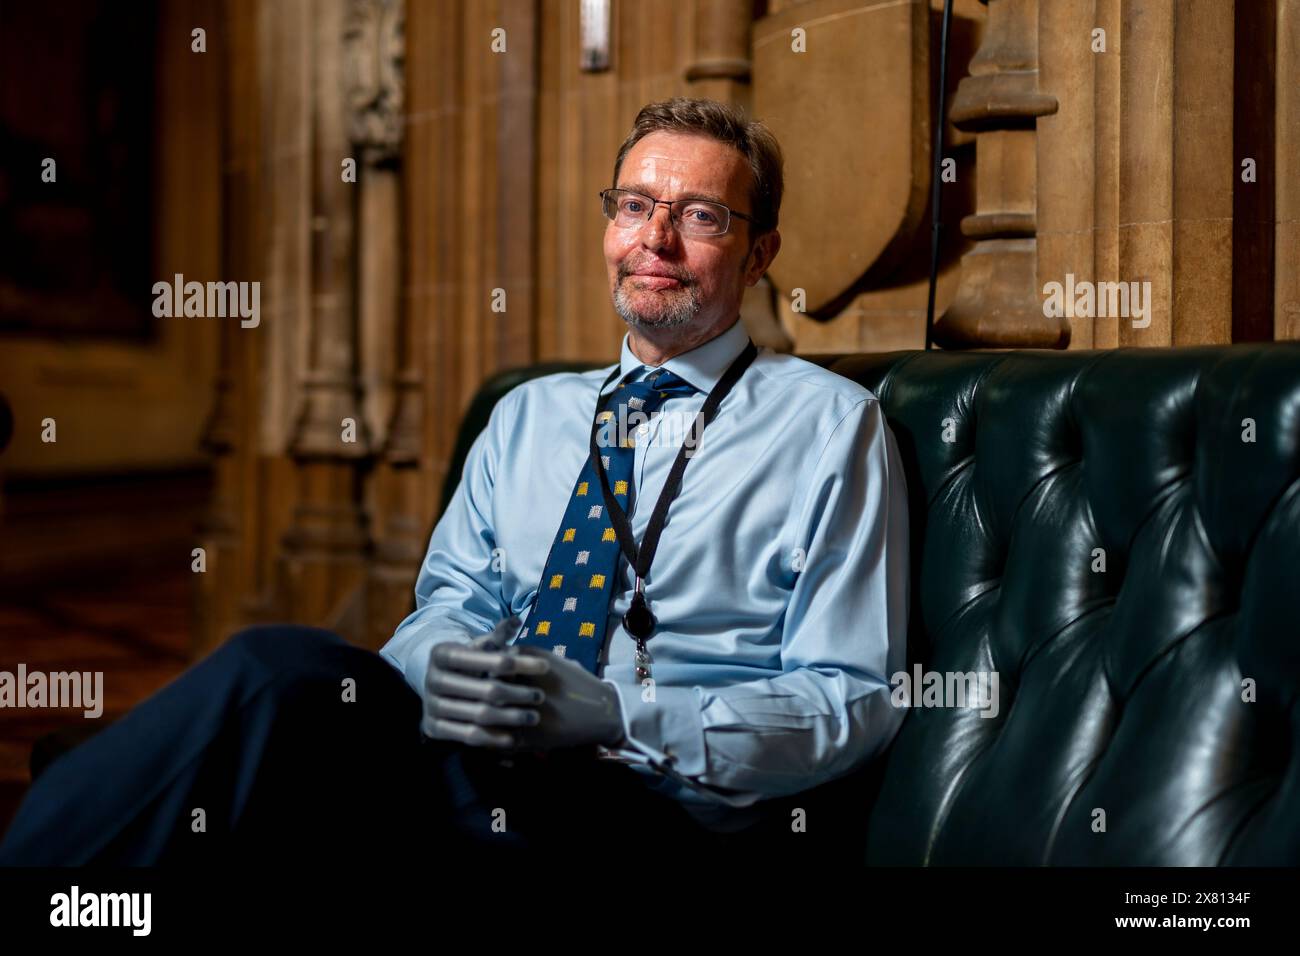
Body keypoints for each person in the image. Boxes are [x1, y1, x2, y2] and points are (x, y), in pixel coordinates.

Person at [0, 96, 909, 866]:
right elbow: (444, 610)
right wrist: (444, 675)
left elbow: (852, 699)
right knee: (276, 698)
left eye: (700, 215)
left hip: (655, 807)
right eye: (634, 206)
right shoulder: (529, 415)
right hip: (473, 767)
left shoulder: (829, 425)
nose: (655, 239)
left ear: (759, 255)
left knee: (271, 702)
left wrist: (615, 714)